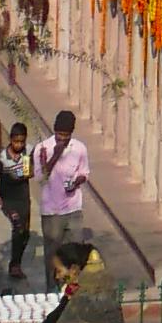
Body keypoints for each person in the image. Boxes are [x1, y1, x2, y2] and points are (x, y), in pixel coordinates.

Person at [36, 106, 92, 282]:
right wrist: (55, 155)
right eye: (59, 134)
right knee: (53, 253)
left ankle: (73, 288)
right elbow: (40, 177)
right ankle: (51, 289)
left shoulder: (79, 148)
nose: (62, 138)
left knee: (75, 252)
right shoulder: (43, 149)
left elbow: (85, 173)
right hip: (51, 212)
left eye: (65, 135)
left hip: (73, 209)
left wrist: (76, 182)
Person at [0, 121, 35, 288]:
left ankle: (16, 261)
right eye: (16, 141)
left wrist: (26, 171)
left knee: (25, 233)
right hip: (8, 198)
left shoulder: (28, 151)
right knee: (17, 224)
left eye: (21, 141)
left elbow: (31, 172)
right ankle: (14, 267)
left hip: (23, 196)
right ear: (10, 140)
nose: (19, 145)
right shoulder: (2, 158)